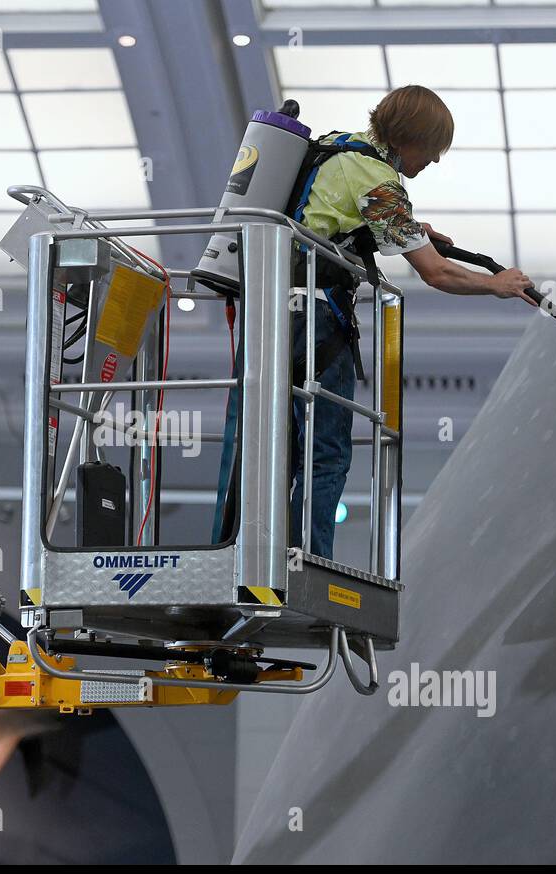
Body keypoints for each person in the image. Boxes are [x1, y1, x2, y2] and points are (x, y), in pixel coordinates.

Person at [213, 85, 536, 560]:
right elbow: (436, 272)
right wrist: (498, 285)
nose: (434, 162)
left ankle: (234, 548)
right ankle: (309, 558)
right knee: (325, 451)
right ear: (410, 140)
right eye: (432, 150)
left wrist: (411, 228)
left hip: (268, 309)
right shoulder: (380, 180)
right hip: (318, 316)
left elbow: (326, 215)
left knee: (261, 440)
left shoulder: (340, 148)